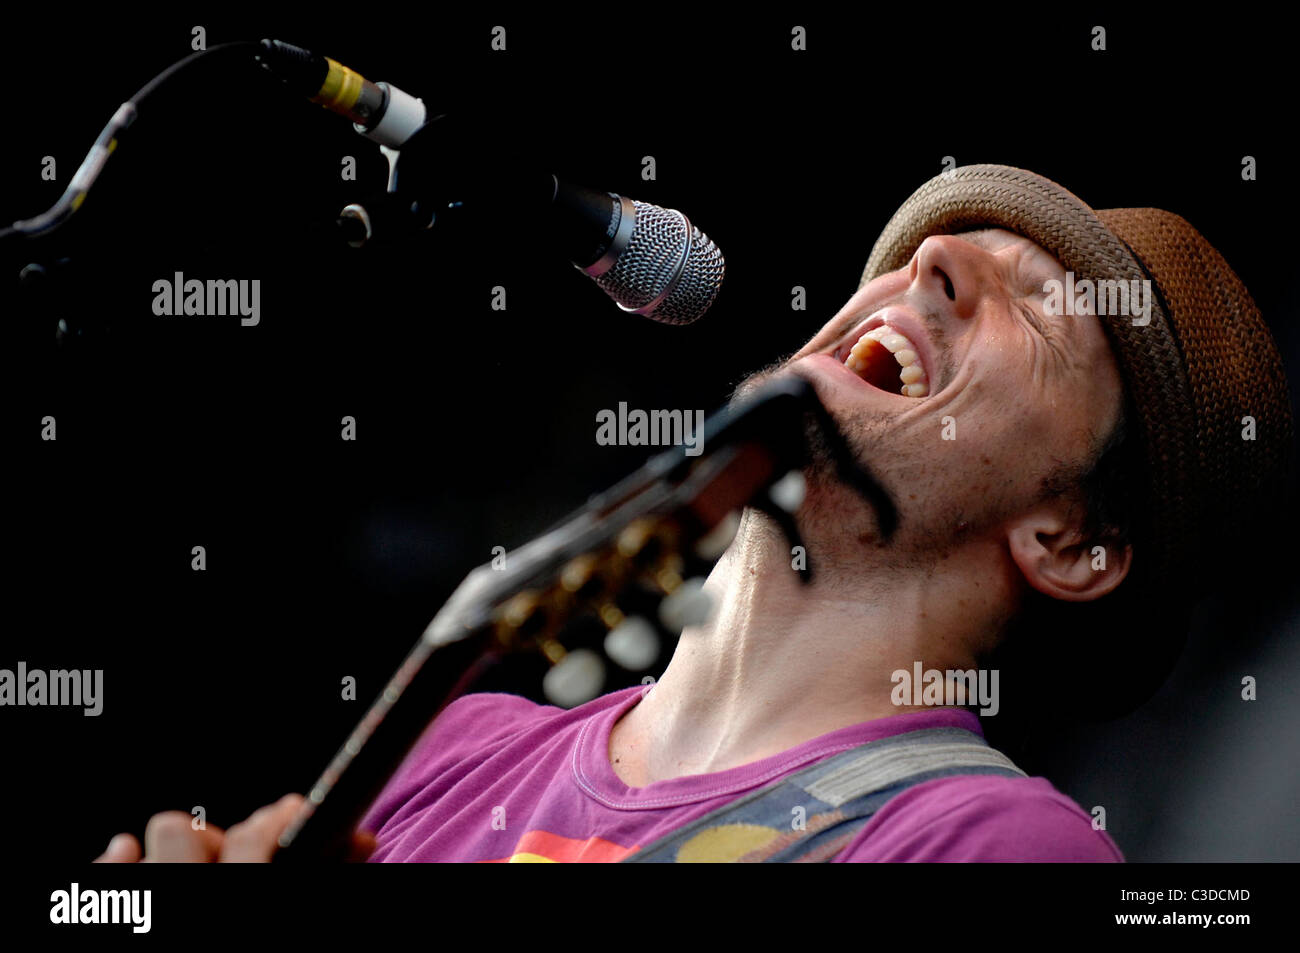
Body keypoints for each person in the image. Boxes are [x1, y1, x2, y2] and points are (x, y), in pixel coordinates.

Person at [95, 165, 1291, 863]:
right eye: (926, 251)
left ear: (1072, 540)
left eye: (1034, 302)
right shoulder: (455, 747)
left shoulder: (994, 844)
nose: (923, 270)